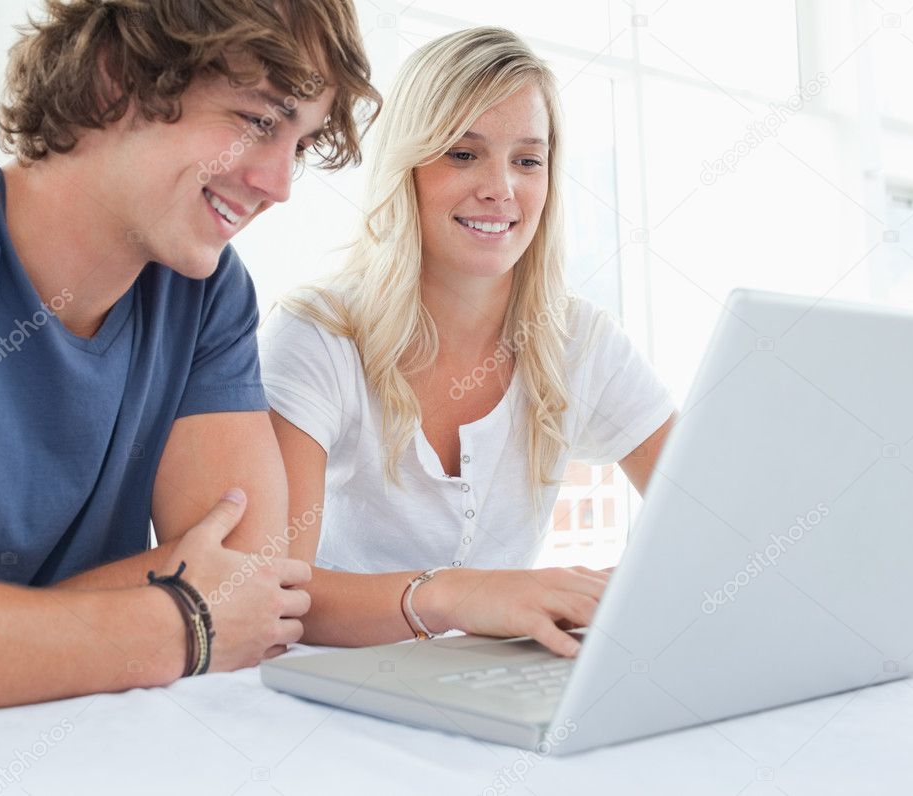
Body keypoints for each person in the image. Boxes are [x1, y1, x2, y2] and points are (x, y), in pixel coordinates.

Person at [0, 0, 379, 712]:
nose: (278, 185)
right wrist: (175, 621)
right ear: (114, 79)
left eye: (297, 144)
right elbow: (213, 615)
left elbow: (252, 593)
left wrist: (6, 641)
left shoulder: (204, 295)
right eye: (257, 120)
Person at [259, 27, 675, 657]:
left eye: (527, 160)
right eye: (462, 153)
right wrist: (453, 594)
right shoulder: (320, 335)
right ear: (409, 168)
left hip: (491, 681)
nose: (501, 189)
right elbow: (273, 593)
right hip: (336, 689)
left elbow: (713, 512)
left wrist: (618, 594)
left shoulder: (580, 340)